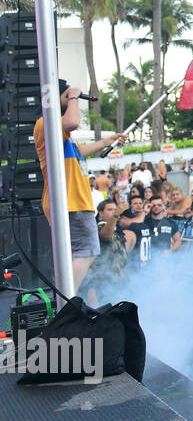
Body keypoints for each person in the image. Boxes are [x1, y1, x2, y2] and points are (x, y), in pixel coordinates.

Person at [32, 79, 127, 300]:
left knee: (76, 254)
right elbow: (73, 122)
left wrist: (106, 142)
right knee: (88, 251)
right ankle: (64, 301)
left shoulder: (55, 130)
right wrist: (74, 95)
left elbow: (78, 153)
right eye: (66, 95)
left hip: (71, 200)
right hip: (70, 201)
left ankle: (65, 300)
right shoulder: (46, 123)